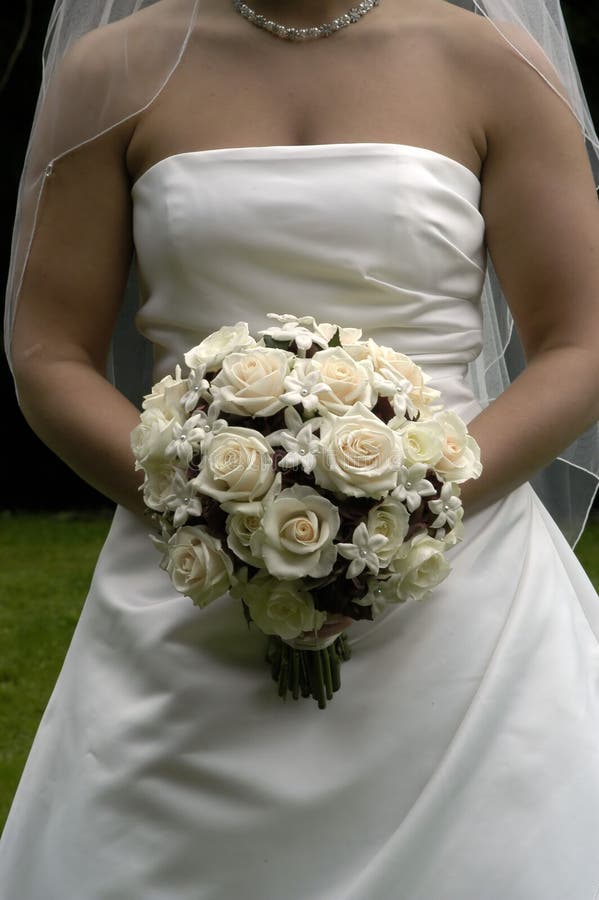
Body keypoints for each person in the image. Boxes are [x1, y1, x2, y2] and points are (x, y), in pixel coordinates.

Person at [2, 0, 599, 896]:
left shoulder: (491, 62)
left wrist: (404, 512)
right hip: (192, 579)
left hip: (463, 590)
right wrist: (206, 507)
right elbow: (46, 351)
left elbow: (580, 343)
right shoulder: (113, 68)